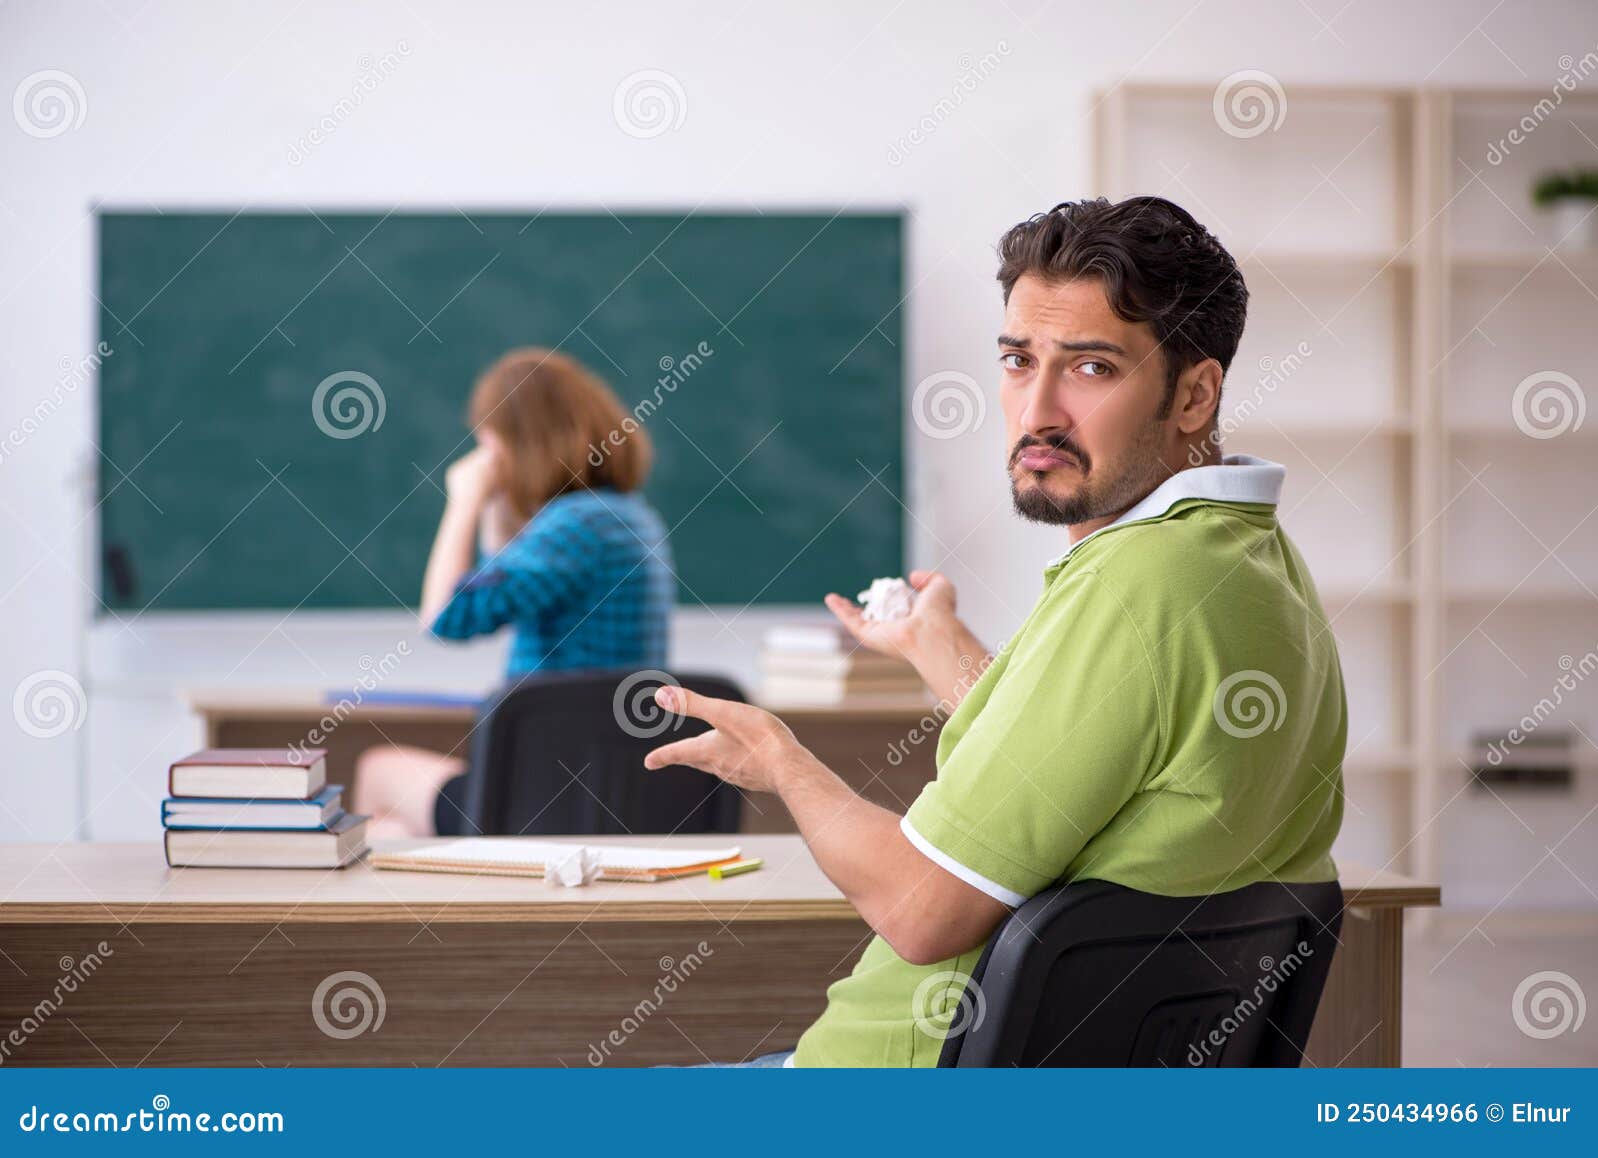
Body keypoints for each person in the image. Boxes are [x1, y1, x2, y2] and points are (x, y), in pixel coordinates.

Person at [645, 196, 1347, 1067]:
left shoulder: (1138, 587)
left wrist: (784, 763)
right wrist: (941, 648)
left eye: (1091, 369)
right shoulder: (1247, 560)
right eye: (1019, 361)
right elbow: (1096, 765)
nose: (1037, 412)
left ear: (1195, 393)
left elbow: (921, 910)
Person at [352, 347, 674, 839]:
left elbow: (446, 619)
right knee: (393, 831)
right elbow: (506, 570)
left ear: (513, 444)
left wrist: (464, 499)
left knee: (377, 772)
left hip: (541, 795)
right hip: (610, 784)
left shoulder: (571, 527)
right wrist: (498, 505)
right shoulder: (629, 517)